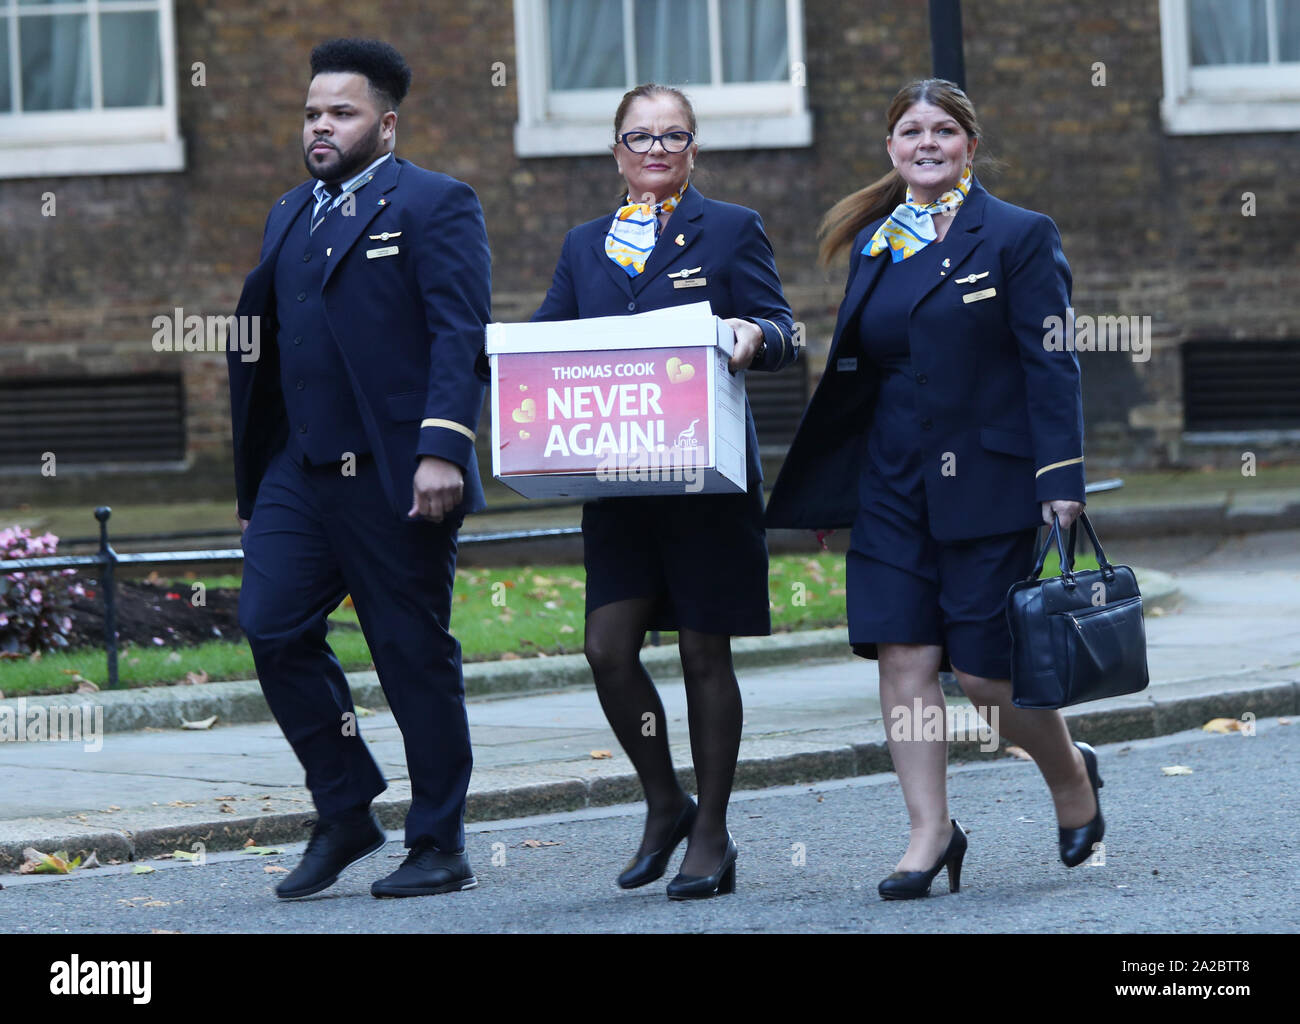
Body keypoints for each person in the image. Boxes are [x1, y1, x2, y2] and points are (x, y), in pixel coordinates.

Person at [765, 79, 1103, 899]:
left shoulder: (1017, 235)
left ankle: (1070, 776)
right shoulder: (877, 243)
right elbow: (861, 374)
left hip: (987, 479)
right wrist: (830, 484)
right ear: (891, 148)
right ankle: (930, 832)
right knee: (903, 656)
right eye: (911, 130)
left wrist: (1060, 478)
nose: (927, 142)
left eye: (944, 131)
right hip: (890, 483)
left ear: (970, 147)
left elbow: (1049, 358)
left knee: (985, 675)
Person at [227, 38, 491, 900]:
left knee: (411, 654)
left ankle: (440, 841)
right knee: (270, 626)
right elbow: (267, 348)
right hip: (298, 473)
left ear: (385, 121)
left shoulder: (434, 204)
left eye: (340, 113)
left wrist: (442, 448)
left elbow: (460, 334)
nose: (321, 126)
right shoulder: (286, 213)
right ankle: (346, 806)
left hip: (395, 471)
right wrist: (254, 482)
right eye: (311, 113)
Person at [531, 83, 798, 899]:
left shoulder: (729, 229)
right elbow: (547, 337)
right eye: (638, 137)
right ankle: (663, 799)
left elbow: (781, 327)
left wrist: (757, 335)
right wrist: (487, 358)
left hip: (706, 479)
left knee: (701, 651)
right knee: (607, 648)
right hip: (617, 480)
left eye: (671, 135)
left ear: (693, 148)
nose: (654, 149)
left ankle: (711, 831)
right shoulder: (585, 246)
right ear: (615, 150)